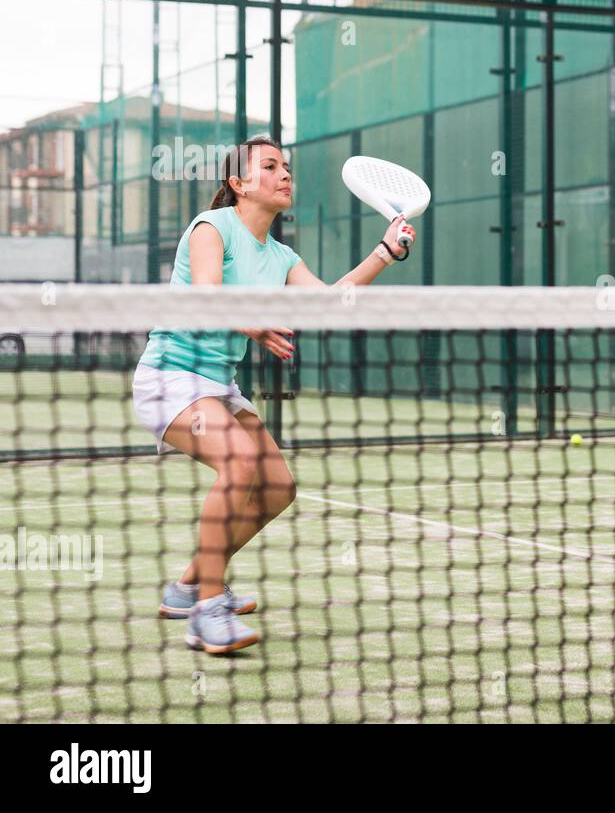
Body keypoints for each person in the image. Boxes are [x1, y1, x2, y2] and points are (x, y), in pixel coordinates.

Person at [133, 134, 415, 653]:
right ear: (239, 184)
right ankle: (208, 610)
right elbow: (208, 298)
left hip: (218, 386)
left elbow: (331, 304)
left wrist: (383, 252)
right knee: (239, 465)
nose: (285, 174)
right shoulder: (209, 228)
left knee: (278, 489)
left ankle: (189, 583)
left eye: (286, 166)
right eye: (270, 166)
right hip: (168, 378)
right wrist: (256, 327)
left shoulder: (282, 255)